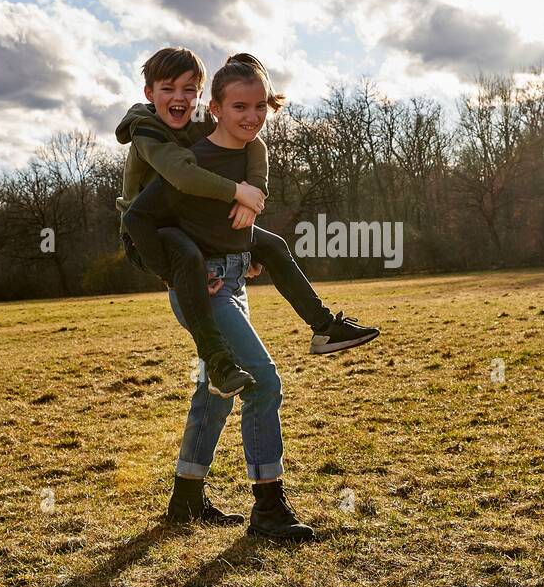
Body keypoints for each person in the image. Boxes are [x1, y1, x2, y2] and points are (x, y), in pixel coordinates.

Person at [115, 48, 378, 400]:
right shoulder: (147, 130)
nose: (179, 98)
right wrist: (236, 192)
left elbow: (251, 141)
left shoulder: (199, 120)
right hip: (146, 233)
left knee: (271, 245)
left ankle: (324, 327)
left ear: (202, 94)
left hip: (193, 224)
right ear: (149, 93)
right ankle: (217, 360)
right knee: (188, 257)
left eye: (189, 89)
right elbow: (182, 176)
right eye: (168, 89)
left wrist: (254, 194)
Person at [149, 55, 320, 540]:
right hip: (203, 291)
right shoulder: (187, 161)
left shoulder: (247, 153)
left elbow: (219, 225)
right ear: (216, 108)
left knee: (216, 391)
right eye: (240, 106)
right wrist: (178, 270)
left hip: (235, 282)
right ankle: (267, 507)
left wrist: (244, 253)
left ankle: (185, 500)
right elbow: (145, 222)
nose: (251, 115)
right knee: (263, 382)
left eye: (260, 106)